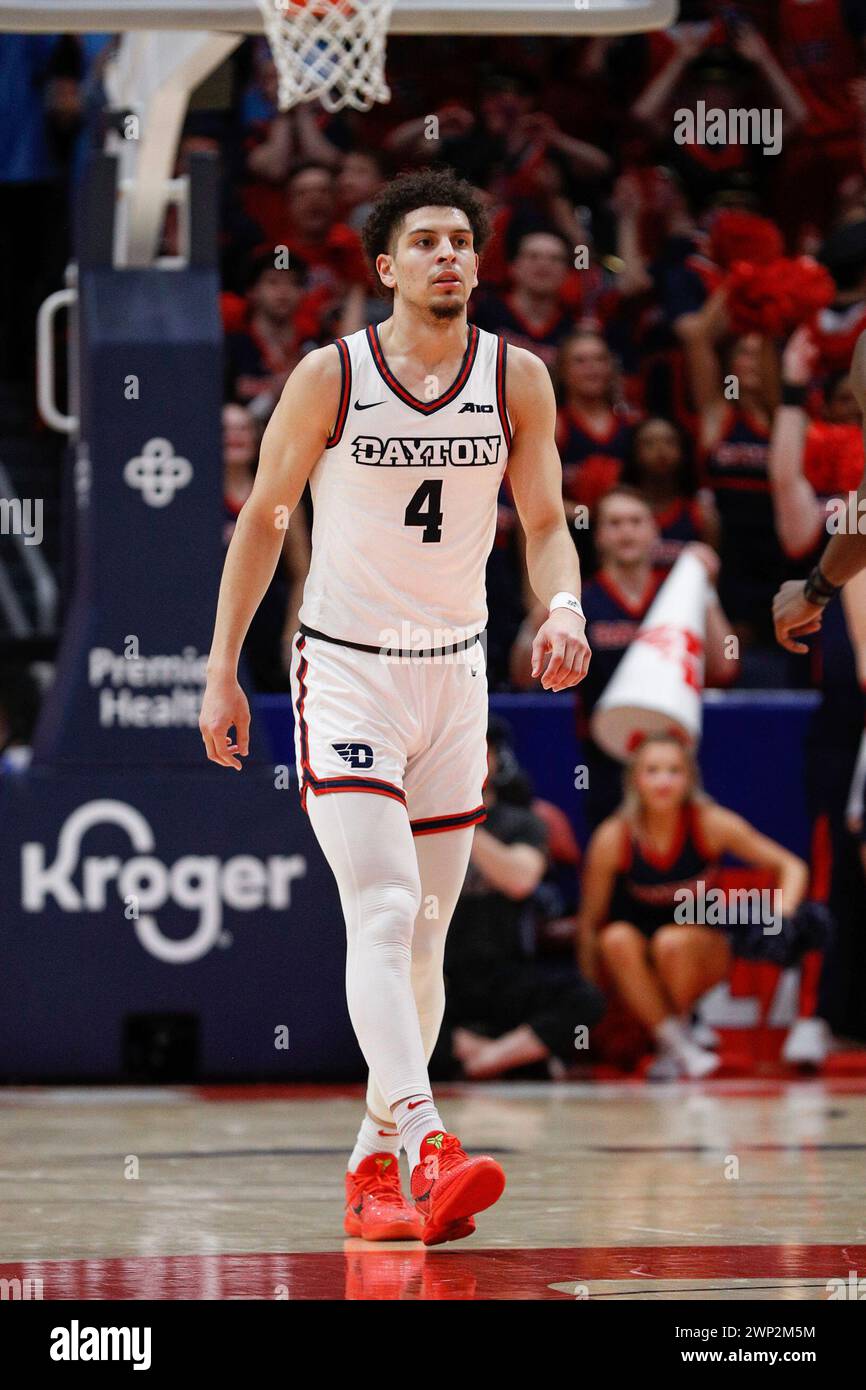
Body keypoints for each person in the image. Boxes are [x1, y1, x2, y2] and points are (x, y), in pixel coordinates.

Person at [199, 166, 591, 1247]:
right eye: (424, 241)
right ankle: (424, 1135)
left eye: (461, 240)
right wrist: (222, 665)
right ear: (383, 267)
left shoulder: (518, 377)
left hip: (455, 674)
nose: (448, 256)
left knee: (422, 938)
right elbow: (264, 522)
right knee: (376, 910)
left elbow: (548, 518)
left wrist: (559, 605)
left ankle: (371, 1165)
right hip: (348, 669)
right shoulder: (331, 376)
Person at [576, 731, 809, 1079]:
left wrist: (782, 916)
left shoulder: (710, 823)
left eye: (674, 771)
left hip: (699, 950)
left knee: (672, 941)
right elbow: (588, 925)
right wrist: (591, 1002)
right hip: (635, 963)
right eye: (652, 770)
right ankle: (677, 1044)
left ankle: (680, 1030)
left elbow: (792, 866)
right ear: (634, 780)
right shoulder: (613, 837)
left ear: (690, 779)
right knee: (614, 938)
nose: (663, 781)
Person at [439, 723, 605, 1081]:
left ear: (497, 761)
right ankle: (507, 1057)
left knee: (584, 999)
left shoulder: (523, 823)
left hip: (506, 974)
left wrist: (462, 820)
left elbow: (519, 880)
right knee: (378, 1007)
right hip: (441, 977)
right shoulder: (412, 824)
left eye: (478, 750)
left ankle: (484, 1061)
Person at [774, 327, 866, 654]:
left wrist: (815, 591)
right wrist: (792, 390)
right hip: (828, 646)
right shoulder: (819, 494)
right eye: (846, 400)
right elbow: (784, 482)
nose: (857, 410)